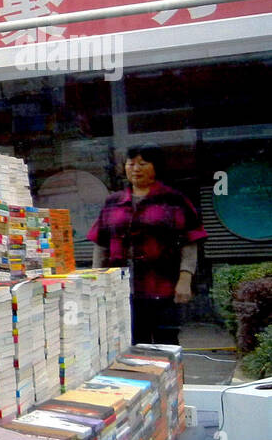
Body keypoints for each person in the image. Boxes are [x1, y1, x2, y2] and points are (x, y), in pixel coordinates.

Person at [88, 145, 206, 345]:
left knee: (166, 342)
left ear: (156, 167)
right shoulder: (113, 202)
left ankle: (169, 377)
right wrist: (95, 278)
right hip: (121, 288)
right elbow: (101, 243)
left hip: (163, 285)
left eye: (142, 164)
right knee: (130, 342)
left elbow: (190, 241)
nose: (135, 169)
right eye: (131, 163)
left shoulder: (173, 200)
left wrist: (185, 278)